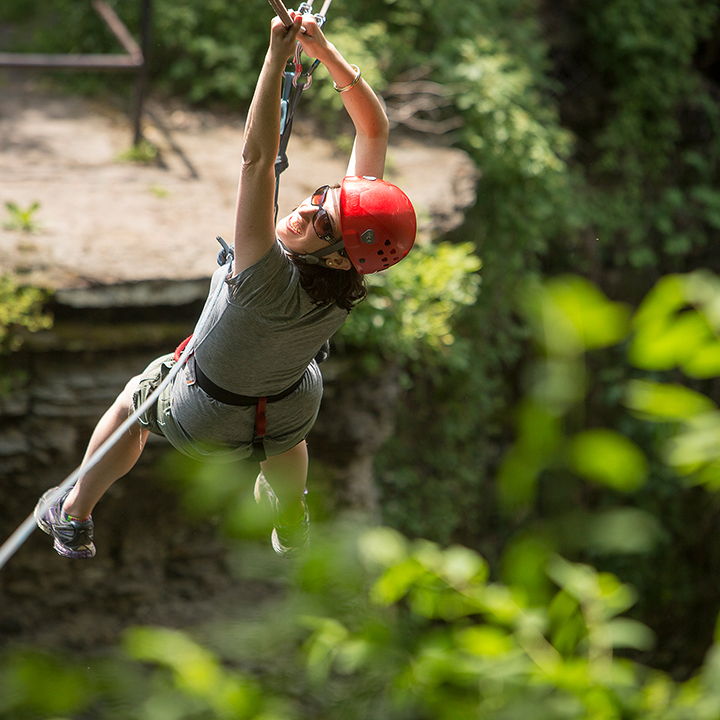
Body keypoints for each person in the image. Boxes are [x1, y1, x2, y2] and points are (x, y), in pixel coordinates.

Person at [34, 10, 416, 559]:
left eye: (322, 224)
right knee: (290, 405)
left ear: (336, 257)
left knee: (135, 401)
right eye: (319, 197)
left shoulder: (261, 271)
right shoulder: (354, 267)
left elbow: (257, 163)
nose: (306, 212)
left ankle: (73, 516)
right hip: (285, 408)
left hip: (203, 417)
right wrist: (325, 51)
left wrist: (277, 57)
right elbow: (374, 130)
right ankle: (290, 514)